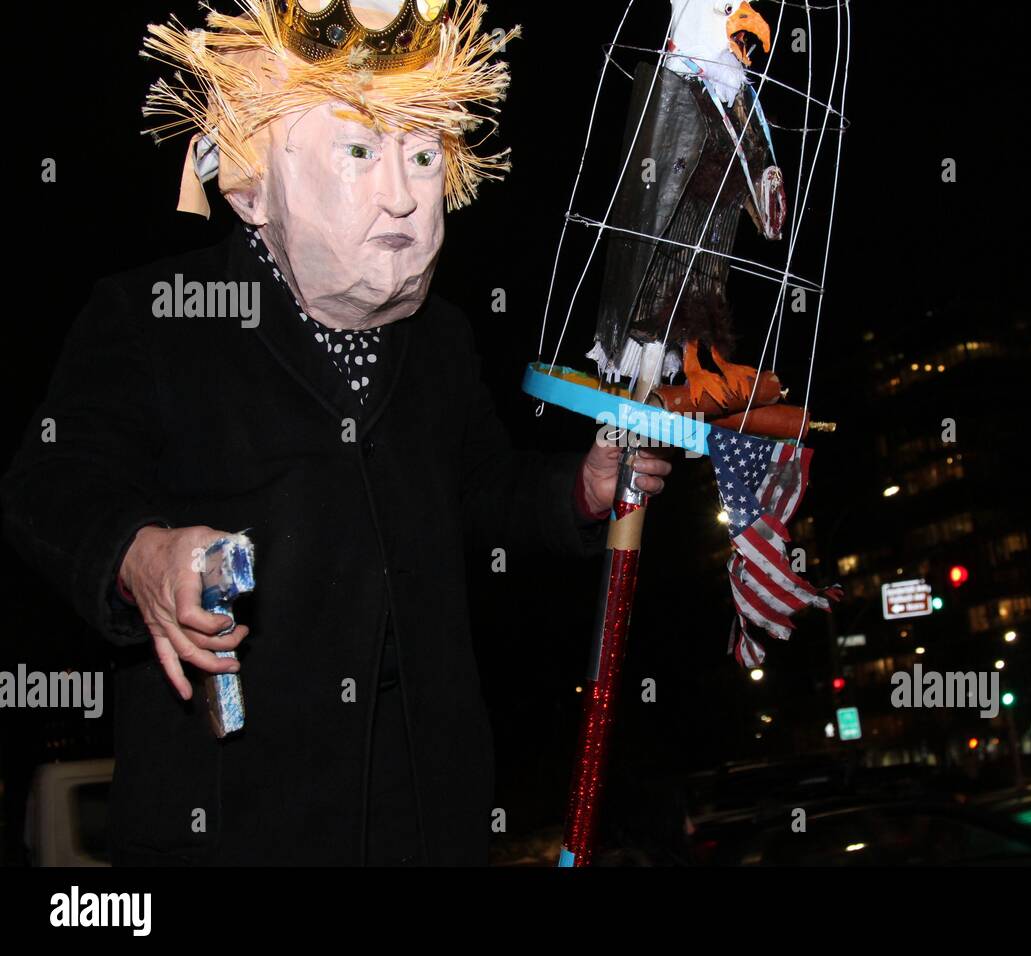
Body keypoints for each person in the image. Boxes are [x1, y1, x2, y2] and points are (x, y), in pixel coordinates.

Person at [0, 0, 671, 865]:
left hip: (429, 817)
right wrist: (139, 558)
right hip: (238, 825)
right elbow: (47, 488)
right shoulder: (151, 316)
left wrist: (578, 487)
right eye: (359, 151)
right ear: (251, 187)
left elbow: (479, 494)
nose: (400, 192)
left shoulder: (441, 342)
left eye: (423, 156)